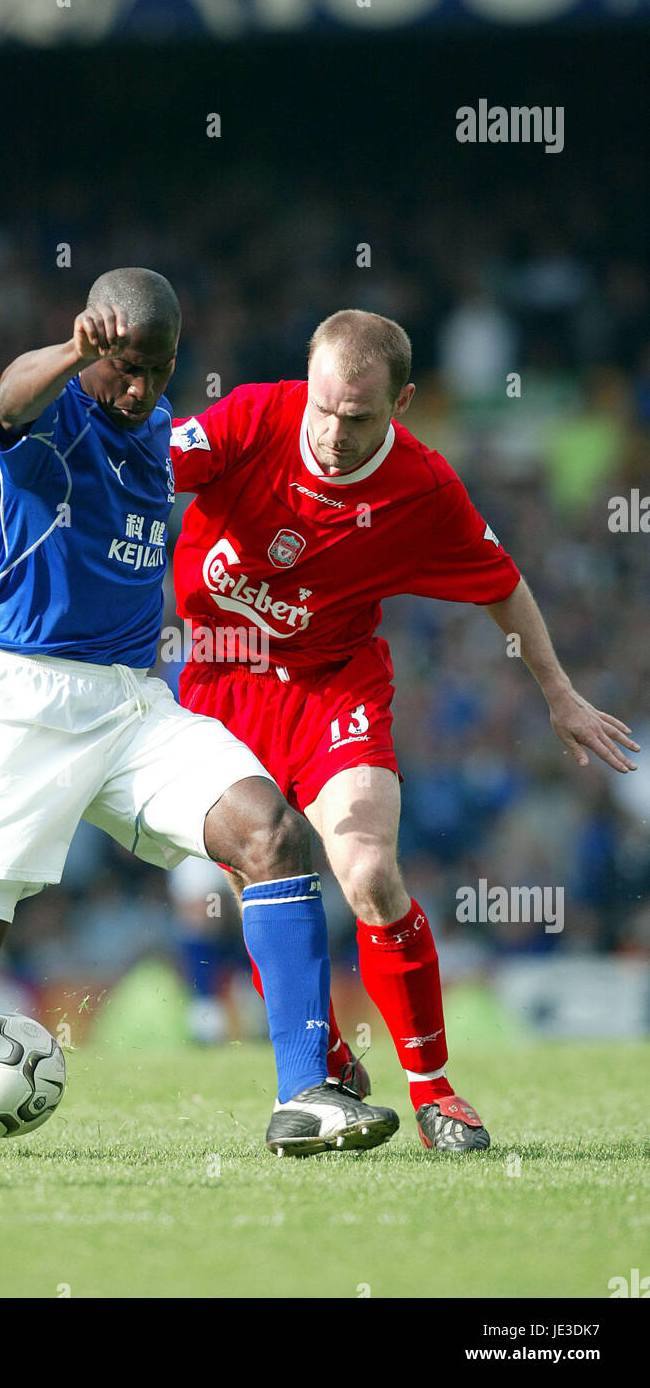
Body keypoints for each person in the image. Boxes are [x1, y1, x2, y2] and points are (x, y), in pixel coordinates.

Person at [0, 274, 400, 1162]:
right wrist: (74, 353)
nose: (142, 389)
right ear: (95, 353)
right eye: (125, 369)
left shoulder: (155, 430)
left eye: (160, 370)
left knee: (270, 832)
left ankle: (304, 1091)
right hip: (20, 705)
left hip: (129, 703)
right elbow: (4, 395)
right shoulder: (52, 423)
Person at [170, 308, 640, 1152]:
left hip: (331, 684)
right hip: (217, 676)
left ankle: (433, 1092)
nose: (333, 432)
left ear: (404, 402)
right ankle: (320, 1062)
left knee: (369, 873)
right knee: (257, 877)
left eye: (358, 417)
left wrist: (557, 691)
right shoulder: (248, 416)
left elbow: (502, 583)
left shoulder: (420, 487)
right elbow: (137, 466)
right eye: (322, 407)